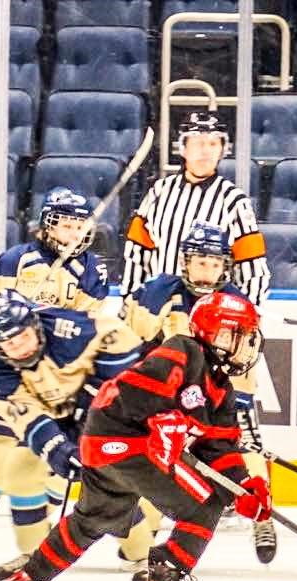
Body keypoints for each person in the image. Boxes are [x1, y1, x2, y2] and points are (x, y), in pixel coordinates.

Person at [0, 291, 272, 581]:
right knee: (204, 504)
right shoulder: (182, 351)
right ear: (217, 334)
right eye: (238, 337)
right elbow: (131, 391)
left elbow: (219, 449)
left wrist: (243, 488)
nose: (247, 348)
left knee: (93, 519)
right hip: (125, 442)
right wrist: (163, 419)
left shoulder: (221, 390)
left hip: (105, 447)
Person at [0, 188, 111, 563]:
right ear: (48, 225)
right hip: (10, 366)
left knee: (50, 462)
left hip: (56, 377)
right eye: (65, 225)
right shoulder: (15, 260)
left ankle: (38, 535)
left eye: (78, 226)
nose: (72, 233)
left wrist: (43, 314)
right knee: (1, 449)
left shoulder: (92, 271)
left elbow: (89, 325)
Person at [120, 218, 277, 563]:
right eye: (201, 261)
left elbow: (244, 359)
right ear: (185, 262)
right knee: (160, 459)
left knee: (245, 441)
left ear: (226, 266)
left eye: (215, 263)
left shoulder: (235, 303)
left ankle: (264, 518)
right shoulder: (159, 292)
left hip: (220, 391)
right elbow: (132, 345)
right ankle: (146, 539)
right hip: (173, 393)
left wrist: (232, 398)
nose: (207, 271)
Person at [0, 290, 148, 566]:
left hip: (109, 415)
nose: (21, 348)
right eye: (10, 345)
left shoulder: (69, 330)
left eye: (24, 336)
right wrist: (60, 451)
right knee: (20, 470)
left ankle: (146, 561)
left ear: (35, 325)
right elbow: (31, 421)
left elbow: (125, 343)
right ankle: (34, 561)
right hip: (60, 417)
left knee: (108, 485)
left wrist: (98, 399)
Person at [120, 111, 269, 306]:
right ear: (183, 148)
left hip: (211, 316)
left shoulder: (234, 201)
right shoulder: (160, 191)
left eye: (213, 143)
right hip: (159, 312)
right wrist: (130, 305)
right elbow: (137, 256)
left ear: (223, 150)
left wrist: (246, 316)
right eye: (198, 142)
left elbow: (253, 270)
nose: (205, 151)